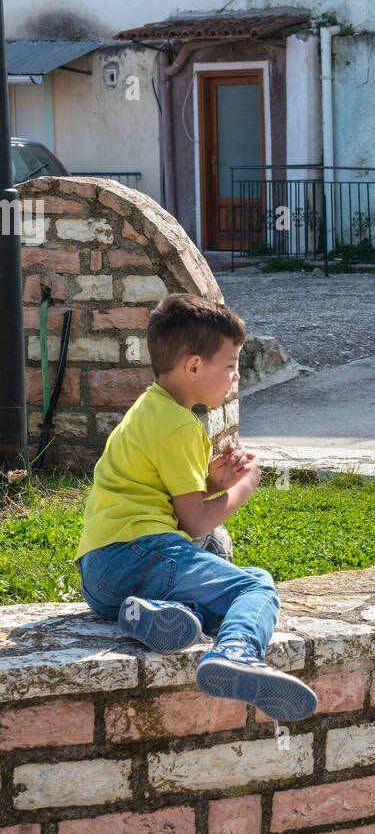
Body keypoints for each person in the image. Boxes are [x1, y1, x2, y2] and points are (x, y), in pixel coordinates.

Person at [75, 293, 317, 723]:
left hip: (100, 575)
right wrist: (244, 485)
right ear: (193, 367)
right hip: (144, 553)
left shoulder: (148, 410)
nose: (236, 376)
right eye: (230, 365)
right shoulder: (182, 426)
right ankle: (238, 653)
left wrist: (211, 480)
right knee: (254, 586)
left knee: (201, 599)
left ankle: (153, 617)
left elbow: (160, 488)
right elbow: (195, 522)